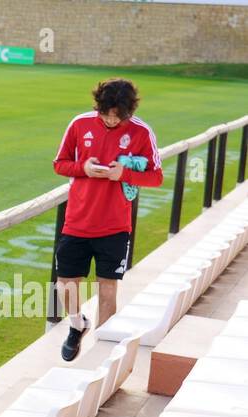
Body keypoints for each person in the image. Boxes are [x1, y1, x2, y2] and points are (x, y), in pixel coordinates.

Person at [53, 77, 163, 361]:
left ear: (129, 112)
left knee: (108, 288)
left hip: (114, 227)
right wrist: (84, 168)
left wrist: (122, 174)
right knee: (65, 283)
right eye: (106, 115)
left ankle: (101, 353)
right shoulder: (79, 124)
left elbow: (156, 176)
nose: (112, 121)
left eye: (118, 117)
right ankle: (78, 325)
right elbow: (59, 164)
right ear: (98, 106)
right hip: (77, 221)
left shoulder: (141, 132)